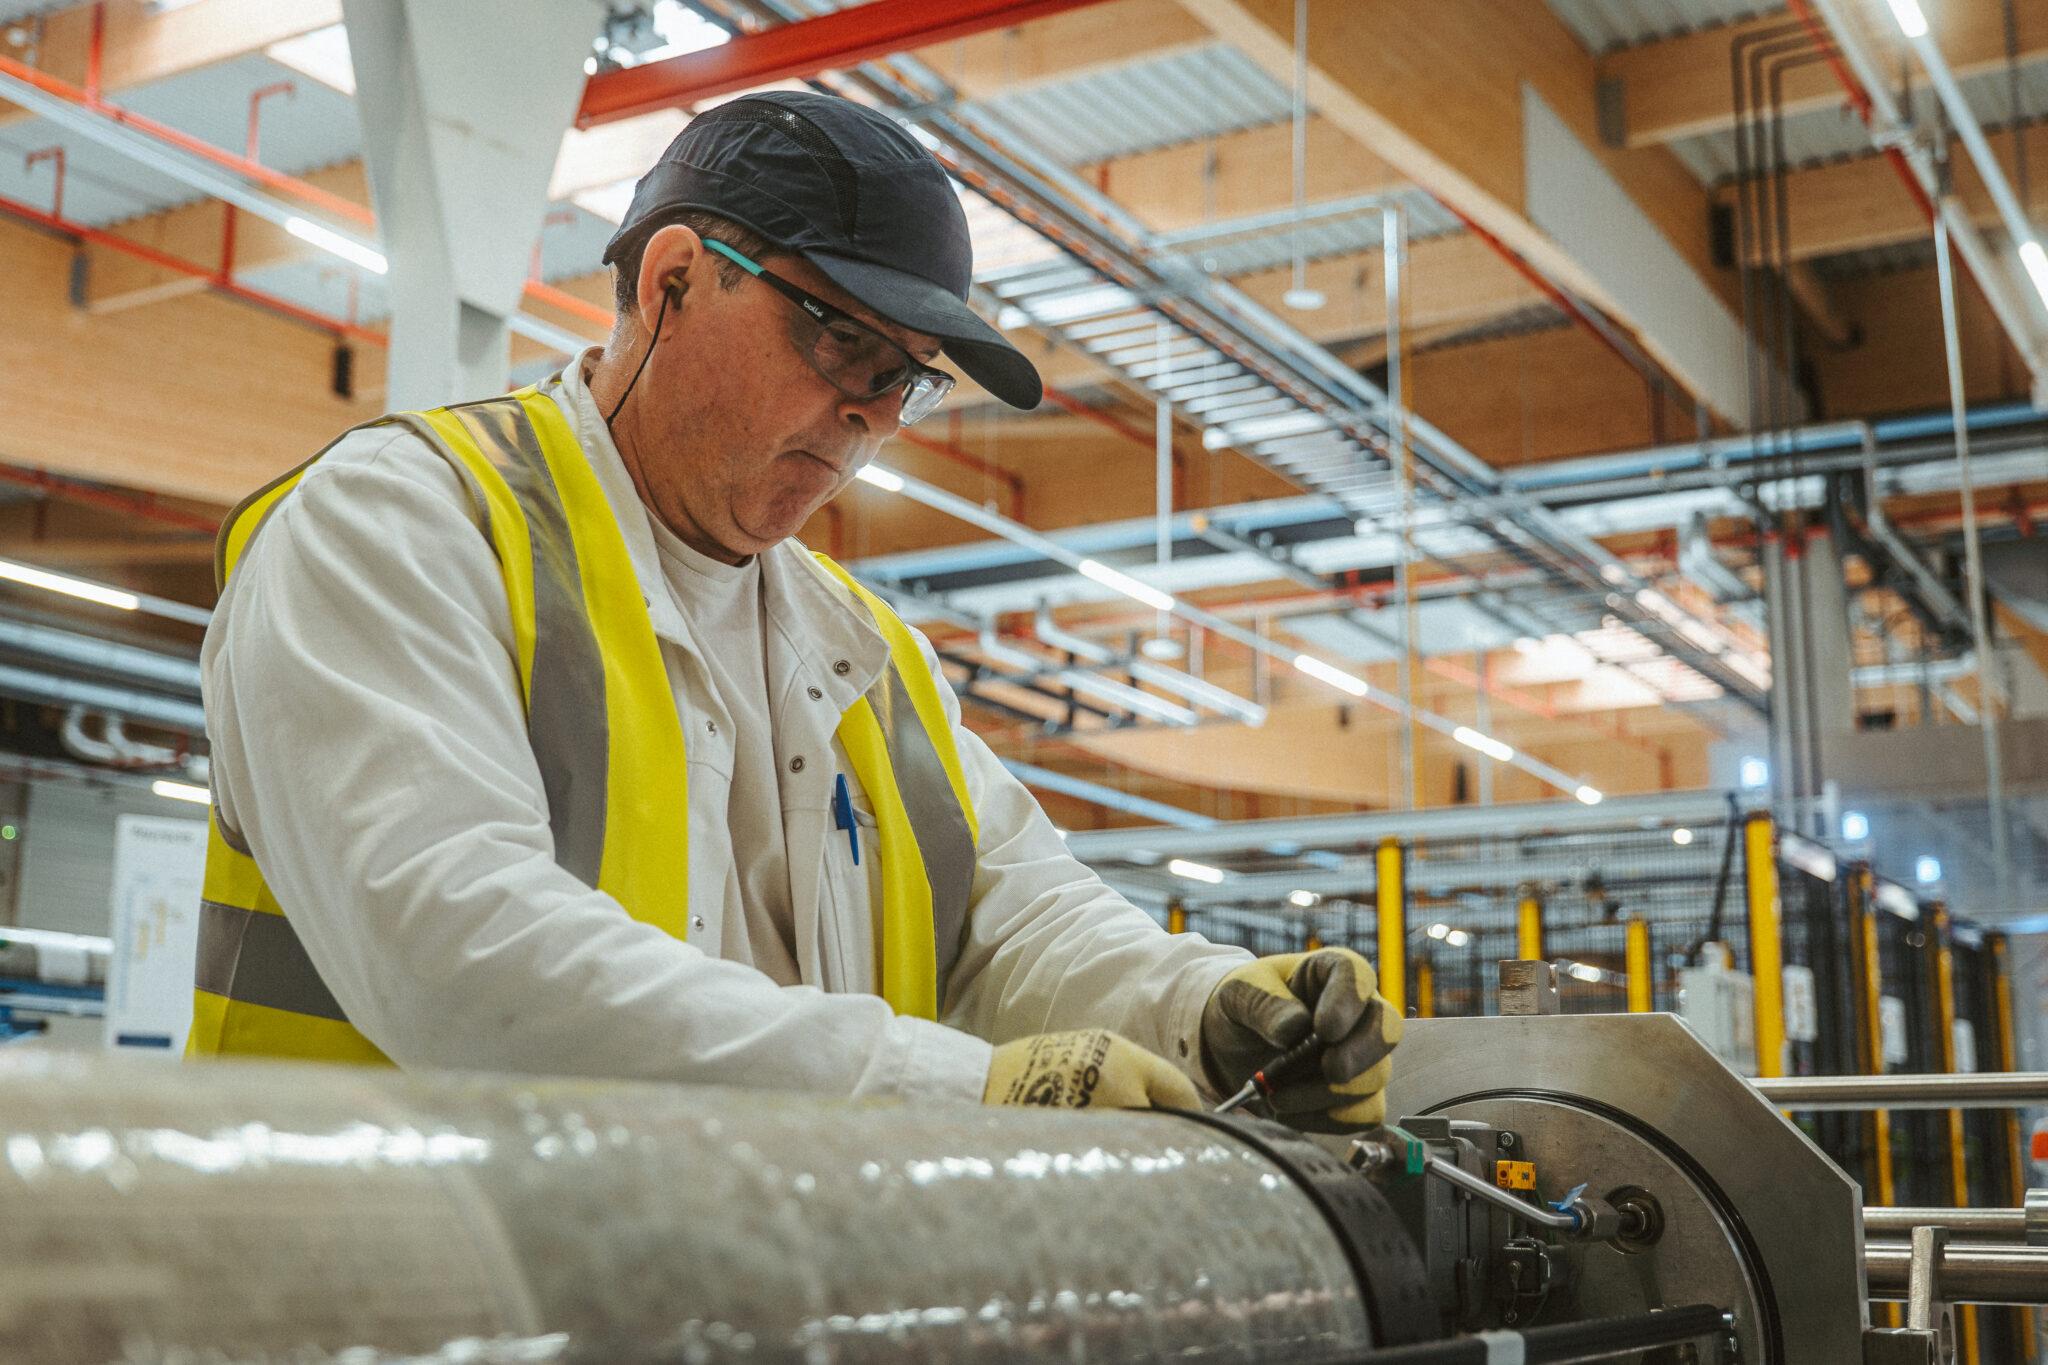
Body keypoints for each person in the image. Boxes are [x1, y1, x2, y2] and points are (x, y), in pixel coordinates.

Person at [190, 90, 1399, 1131]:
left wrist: (1198, 1007)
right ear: (671, 281)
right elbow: (455, 947)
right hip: (377, 1305)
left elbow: (1007, 921)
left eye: (906, 379)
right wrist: (941, 1092)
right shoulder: (402, 526)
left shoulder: (861, 654)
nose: (872, 414)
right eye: (842, 343)